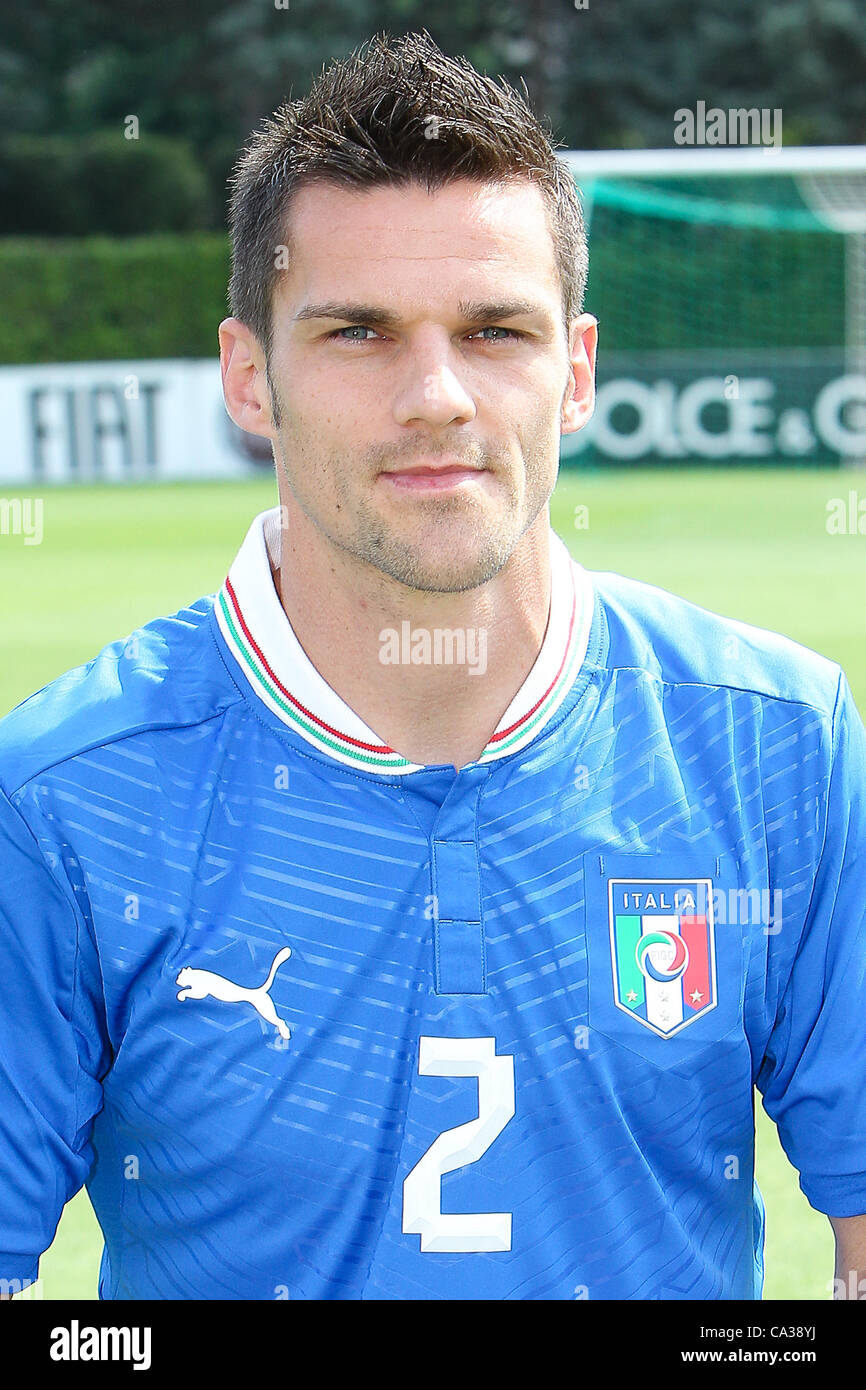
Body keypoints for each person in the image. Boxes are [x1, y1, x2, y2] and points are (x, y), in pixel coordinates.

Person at [1, 29, 864, 1302]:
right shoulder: (64, 797)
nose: (438, 395)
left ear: (572, 373)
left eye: (494, 329)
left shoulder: (776, 740)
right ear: (250, 378)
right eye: (358, 332)